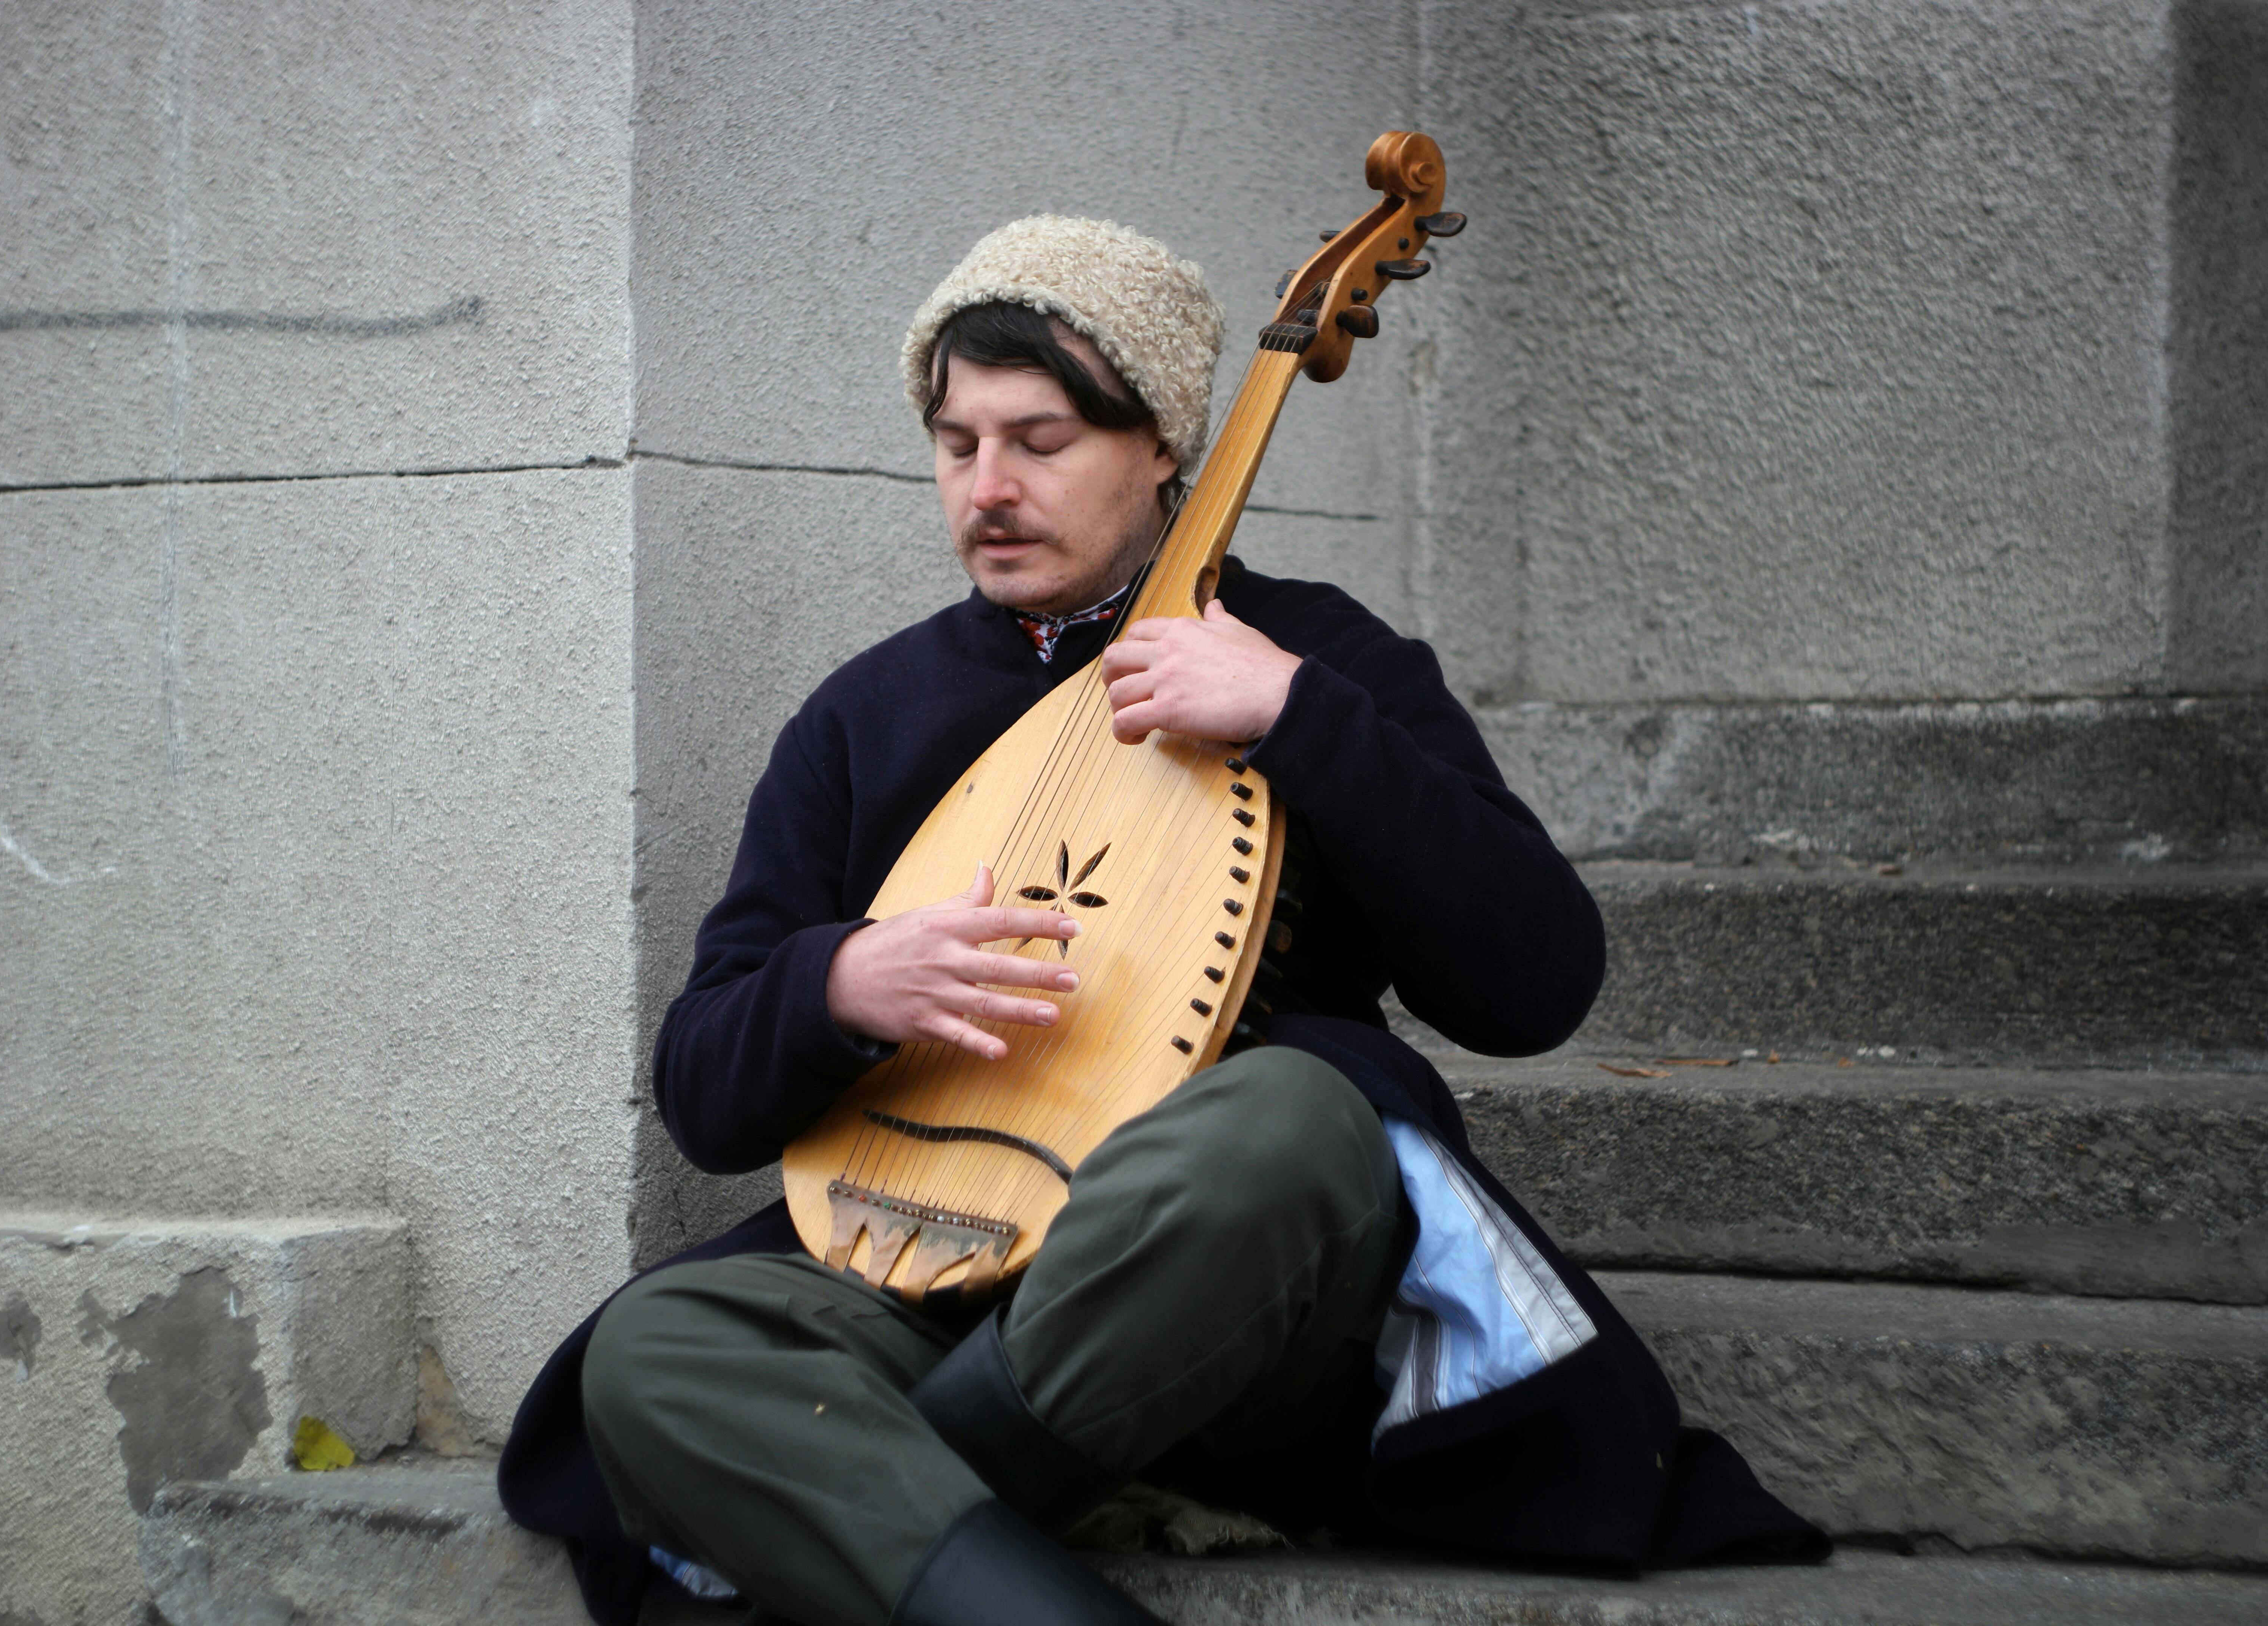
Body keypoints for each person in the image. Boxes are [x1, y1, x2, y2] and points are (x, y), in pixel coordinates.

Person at [500, 216, 1823, 1626]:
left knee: (1287, 1124)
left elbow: (1538, 981)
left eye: (1043, 440)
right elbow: (704, 1090)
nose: (988, 489)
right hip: (939, 1274)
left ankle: (858, 1526)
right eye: (958, 445)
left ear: (1164, 450)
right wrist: (839, 985)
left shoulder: (1322, 657)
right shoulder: (861, 720)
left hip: (1236, 1310)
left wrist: (1304, 721)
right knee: (653, 1351)